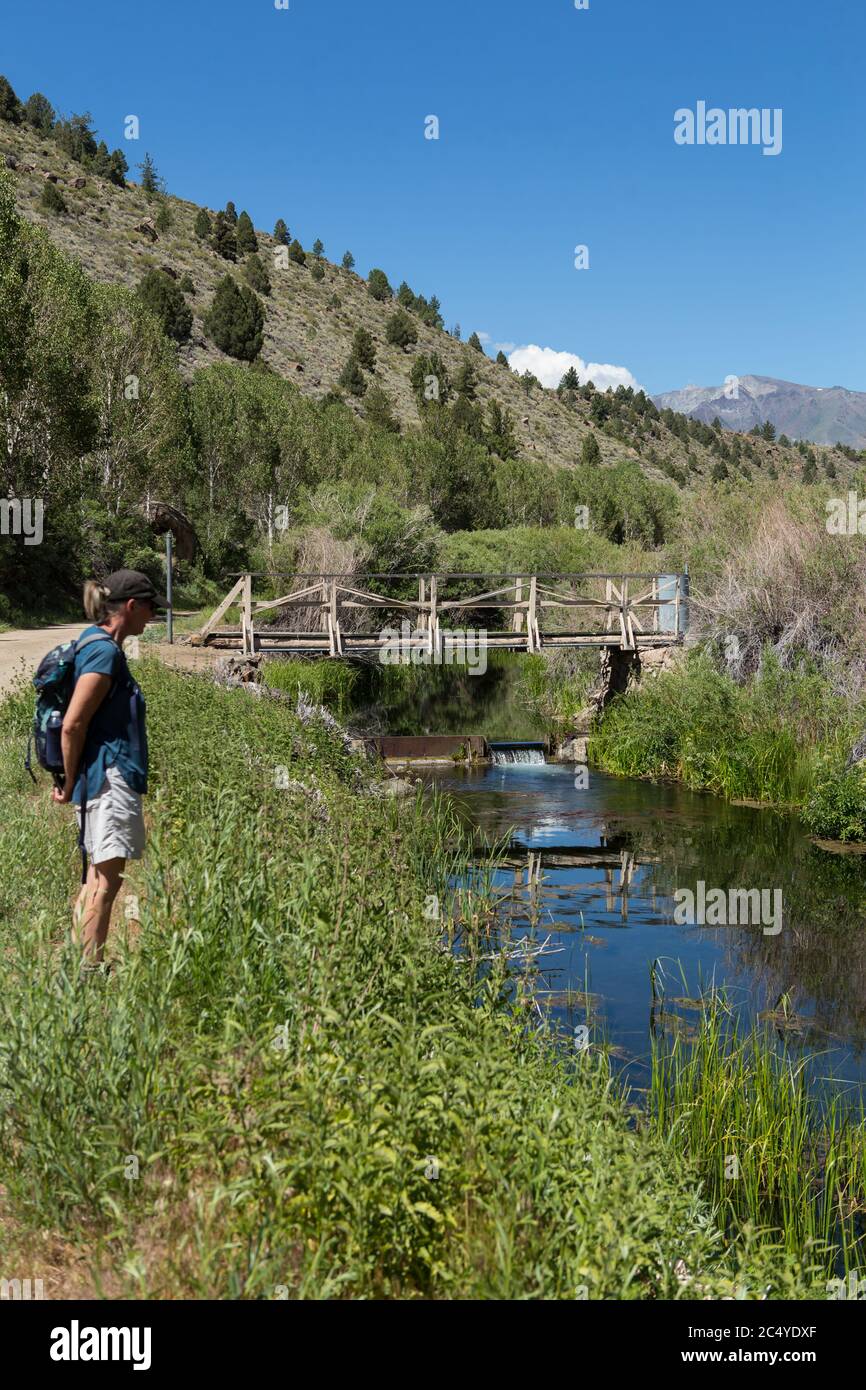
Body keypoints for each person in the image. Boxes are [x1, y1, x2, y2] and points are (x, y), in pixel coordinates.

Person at [52, 570, 165, 972]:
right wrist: (67, 780)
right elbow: (73, 723)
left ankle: (79, 962)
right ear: (131, 607)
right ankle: (88, 971)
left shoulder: (93, 643)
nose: (152, 617)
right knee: (106, 882)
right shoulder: (104, 652)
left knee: (94, 878)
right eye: (150, 608)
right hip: (108, 777)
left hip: (98, 777)